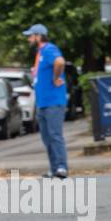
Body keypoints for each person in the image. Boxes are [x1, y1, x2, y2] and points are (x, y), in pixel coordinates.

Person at [21, 23, 69, 179]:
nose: (29, 39)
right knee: (47, 137)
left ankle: (62, 167)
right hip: (42, 103)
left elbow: (60, 62)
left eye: (30, 36)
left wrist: (55, 78)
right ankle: (54, 168)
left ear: (38, 36)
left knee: (55, 135)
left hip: (53, 101)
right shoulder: (40, 52)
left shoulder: (49, 49)